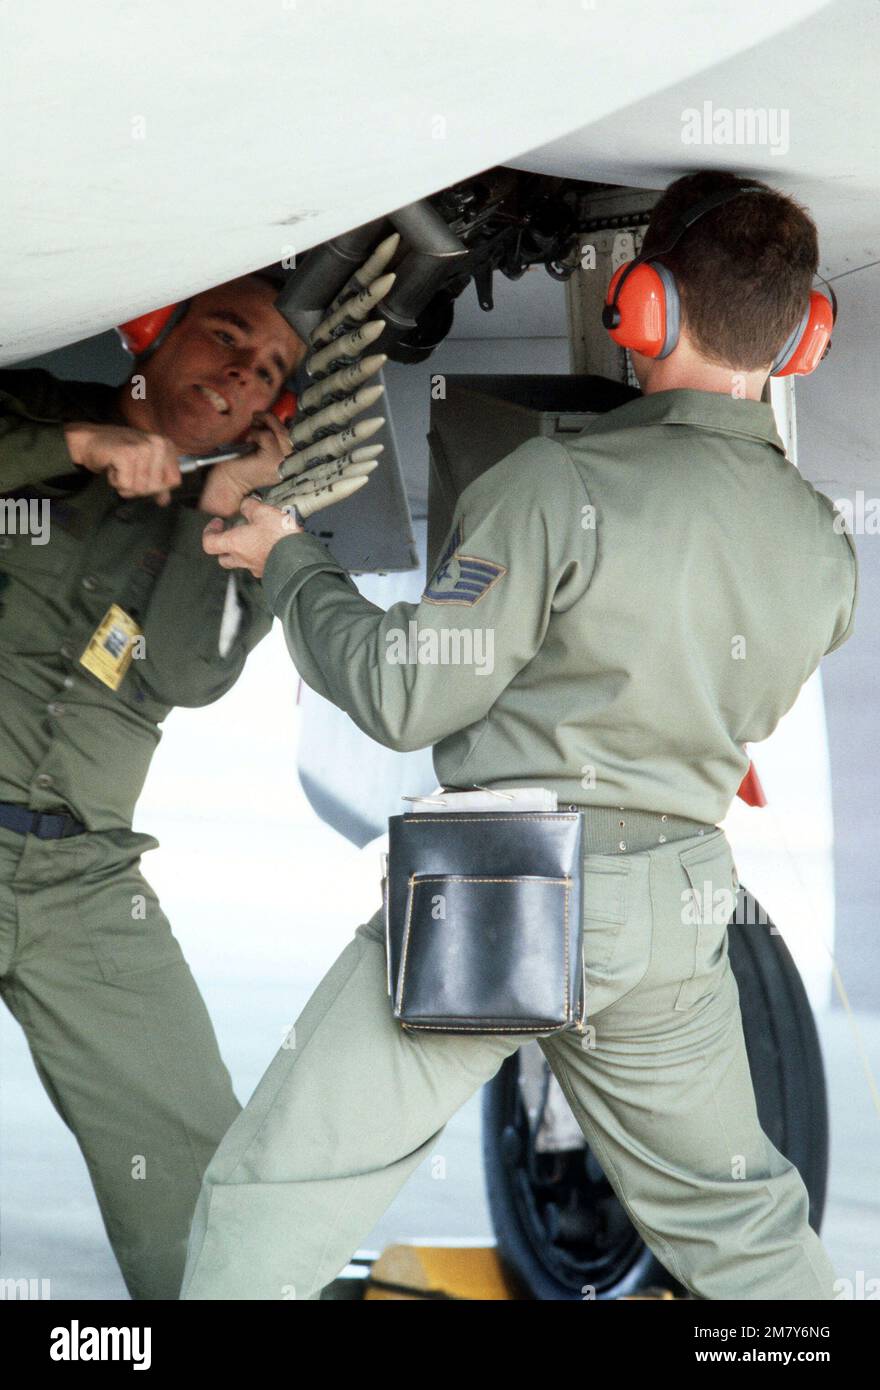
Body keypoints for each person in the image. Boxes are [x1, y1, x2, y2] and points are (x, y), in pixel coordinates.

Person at [183, 172, 858, 1301]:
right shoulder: (819, 546)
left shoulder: (553, 482)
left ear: (642, 306)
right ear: (801, 340)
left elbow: (407, 696)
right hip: (680, 908)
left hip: (510, 889)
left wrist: (289, 561)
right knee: (740, 1228)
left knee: (276, 1195)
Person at [0, 272, 311, 1300]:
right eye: (225, 337)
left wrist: (220, 509)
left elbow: (190, 671)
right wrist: (81, 447)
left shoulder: (225, 524)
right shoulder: (36, 413)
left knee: (200, 1191)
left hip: (81, 883)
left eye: (265, 372)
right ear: (155, 334)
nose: (239, 373)